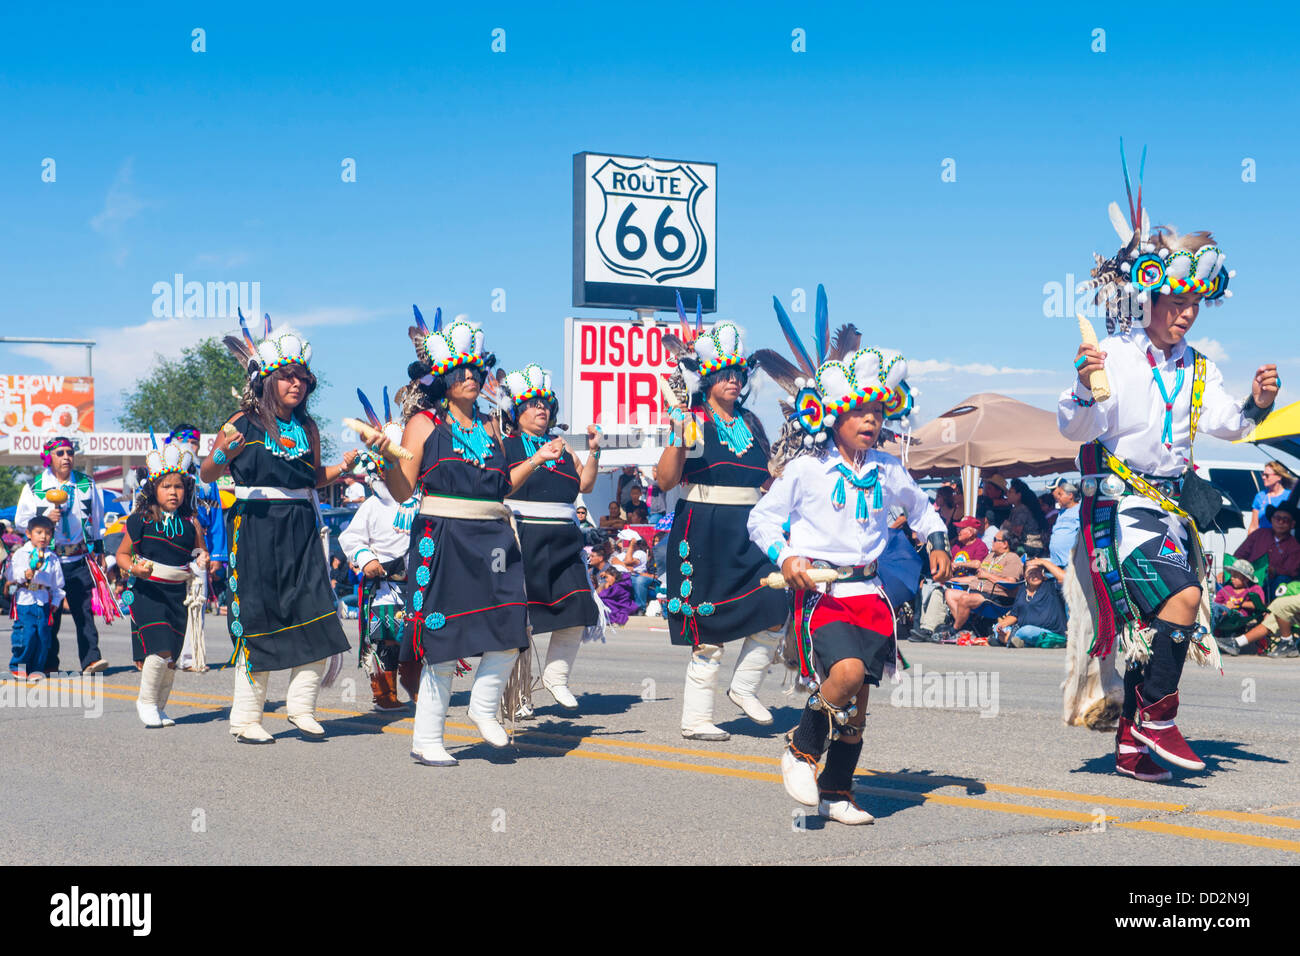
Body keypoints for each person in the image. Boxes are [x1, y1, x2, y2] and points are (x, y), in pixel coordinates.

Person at [1060, 163, 1277, 782]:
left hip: (1173, 510)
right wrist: (1082, 387)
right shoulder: (1117, 358)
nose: (1185, 314)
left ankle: (1131, 748)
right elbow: (1074, 429)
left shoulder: (1197, 367)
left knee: (1150, 634)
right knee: (1181, 599)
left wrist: (1259, 401)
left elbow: (1233, 423)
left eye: (1194, 304)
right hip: (1119, 511)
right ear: (1147, 297)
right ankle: (1158, 718)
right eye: (1176, 301)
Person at [748, 293, 950, 824]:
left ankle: (838, 791)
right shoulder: (805, 468)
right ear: (831, 414)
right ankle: (800, 748)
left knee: (857, 706)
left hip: (873, 595)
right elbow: (761, 521)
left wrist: (938, 542)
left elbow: (924, 511)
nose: (870, 419)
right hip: (823, 592)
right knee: (847, 673)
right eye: (858, 410)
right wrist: (787, 557)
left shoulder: (887, 467)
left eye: (878, 410)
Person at [372, 306, 546, 767]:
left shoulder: (493, 428)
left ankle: (482, 707)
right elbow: (403, 488)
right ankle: (427, 737)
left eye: (476, 369)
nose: (471, 376)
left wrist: (537, 460)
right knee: (444, 638)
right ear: (441, 378)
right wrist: (386, 459)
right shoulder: (424, 424)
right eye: (460, 370)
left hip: (492, 537)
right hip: (444, 534)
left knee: (511, 625)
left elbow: (503, 485)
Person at [203, 312, 355, 744]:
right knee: (260, 618)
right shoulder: (243, 422)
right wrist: (221, 454)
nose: (297, 385)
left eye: (303, 379)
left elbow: (309, 478)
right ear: (268, 379)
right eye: (288, 377)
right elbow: (209, 473)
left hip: (301, 529)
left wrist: (340, 469)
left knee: (315, 614)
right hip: (255, 528)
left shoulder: (307, 427)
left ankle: (301, 707)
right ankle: (246, 718)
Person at [656, 297, 789, 741]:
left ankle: (746, 685)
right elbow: (665, 480)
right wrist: (676, 431)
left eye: (739, 374)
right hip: (704, 526)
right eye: (725, 374)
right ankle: (695, 718)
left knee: (776, 603)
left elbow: (768, 477)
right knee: (708, 630)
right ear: (708, 377)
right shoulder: (691, 419)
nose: (734, 380)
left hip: (750, 528)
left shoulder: (751, 421)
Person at [499, 363, 604, 713]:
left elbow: (584, 484)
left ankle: (556, 677)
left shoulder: (560, 445)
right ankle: (516, 695)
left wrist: (594, 451)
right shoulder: (507, 445)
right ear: (516, 412)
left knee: (579, 606)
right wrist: (536, 458)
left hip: (564, 539)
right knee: (520, 620)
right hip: (521, 536)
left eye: (545, 402)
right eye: (532, 403)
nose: (541, 408)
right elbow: (503, 485)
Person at [117, 442, 209, 727]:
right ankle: (145, 702)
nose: (173, 492)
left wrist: (202, 559)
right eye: (167, 486)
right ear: (154, 489)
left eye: (179, 487)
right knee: (160, 650)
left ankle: (159, 707)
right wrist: (134, 568)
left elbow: (200, 552)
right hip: (147, 592)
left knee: (172, 658)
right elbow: (121, 555)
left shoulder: (191, 523)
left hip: (178, 595)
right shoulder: (140, 519)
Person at [337, 388, 416, 712]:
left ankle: (422, 691)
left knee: (417, 640)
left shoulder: (423, 499)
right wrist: (366, 559)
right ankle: (386, 694)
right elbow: (350, 538)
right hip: (384, 585)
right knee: (385, 641)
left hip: (419, 584)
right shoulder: (372, 504)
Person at [14, 435, 114, 673]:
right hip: (49, 558)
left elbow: (97, 521)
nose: (67, 457)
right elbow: (20, 522)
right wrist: (45, 517)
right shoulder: (35, 487)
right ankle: (48, 663)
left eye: (70, 453)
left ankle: (91, 659)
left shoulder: (86, 484)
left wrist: (99, 552)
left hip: (79, 557)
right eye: (61, 453)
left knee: (84, 611)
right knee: (51, 615)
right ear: (50, 457)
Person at [165, 425, 225, 674]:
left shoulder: (207, 478)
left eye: (196, 442)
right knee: (169, 603)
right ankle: (166, 654)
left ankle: (191, 657)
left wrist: (218, 554)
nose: (192, 446)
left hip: (199, 551)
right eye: (187, 441)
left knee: (196, 601)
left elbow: (217, 516)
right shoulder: (164, 477)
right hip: (169, 547)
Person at [6, 515, 64, 682]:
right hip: (25, 598)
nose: (43, 537)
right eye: (39, 532)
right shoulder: (21, 554)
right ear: (29, 533)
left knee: (42, 635)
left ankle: (37, 668)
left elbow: (58, 584)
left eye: (47, 533)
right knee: (27, 633)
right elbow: (11, 574)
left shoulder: (52, 557)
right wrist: (25, 574)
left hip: (43, 599)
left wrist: (56, 601)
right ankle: (19, 666)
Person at [943, 531, 1023, 634]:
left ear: (1005, 544)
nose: (992, 542)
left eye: (995, 540)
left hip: (995, 598)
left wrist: (988, 576)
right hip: (978, 593)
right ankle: (965, 628)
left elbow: (1010, 582)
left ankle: (954, 629)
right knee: (949, 593)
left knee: (965, 599)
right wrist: (953, 579)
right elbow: (977, 578)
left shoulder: (1013, 558)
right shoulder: (991, 556)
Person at [992, 558, 1067, 648]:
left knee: (1026, 631)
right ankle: (1016, 641)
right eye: (1030, 572)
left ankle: (1006, 640)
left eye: (1037, 571)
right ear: (1025, 576)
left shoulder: (1050, 586)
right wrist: (1002, 625)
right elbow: (1015, 615)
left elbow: (1066, 578)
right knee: (997, 626)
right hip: (1022, 630)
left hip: (1049, 633)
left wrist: (1043, 562)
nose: (1034, 575)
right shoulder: (1022, 590)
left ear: (1042, 573)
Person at [1233, 503, 1300, 593]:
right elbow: (1239, 555)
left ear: (1292, 524)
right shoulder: (1258, 534)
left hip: (1273, 584)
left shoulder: (1295, 546)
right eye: (1277, 518)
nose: (1280, 522)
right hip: (1248, 578)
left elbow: (1291, 571)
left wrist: (1274, 571)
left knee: (1282, 581)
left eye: (1285, 520)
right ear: (1272, 519)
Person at [1211, 558, 1268, 648]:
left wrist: (1239, 604)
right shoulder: (1226, 589)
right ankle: (1208, 637)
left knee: (1216, 609)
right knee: (1212, 607)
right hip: (1224, 616)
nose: (1232, 578)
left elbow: (1260, 606)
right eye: (1232, 575)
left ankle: (1209, 638)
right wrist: (1226, 606)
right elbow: (1216, 604)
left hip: (1239, 617)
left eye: (1235, 576)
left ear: (1246, 579)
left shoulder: (1254, 589)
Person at [1248, 461, 1296, 533]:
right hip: (1263, 541)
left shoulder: (1290, 496)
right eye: (1263, 474)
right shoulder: (1260, 496)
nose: (1263, 477)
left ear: (1279, 477)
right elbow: (1254, 526)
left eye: (1267, 475)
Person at [1005, 477, 1047, 556]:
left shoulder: (1021, 509)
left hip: (1028, 547)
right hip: (1035, 546)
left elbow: (1017, 531)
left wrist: (1006, 526)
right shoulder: (1022, 508)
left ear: (1018, 495)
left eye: (1010, 492)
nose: (1007, 494)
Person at [1047, 479, 1081, 567]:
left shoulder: (1081, 510)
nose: (1057, 497)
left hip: (1071, 562)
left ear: (1070, 495)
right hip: (1056, 562)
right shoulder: (1061, 512)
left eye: (1060, 494)